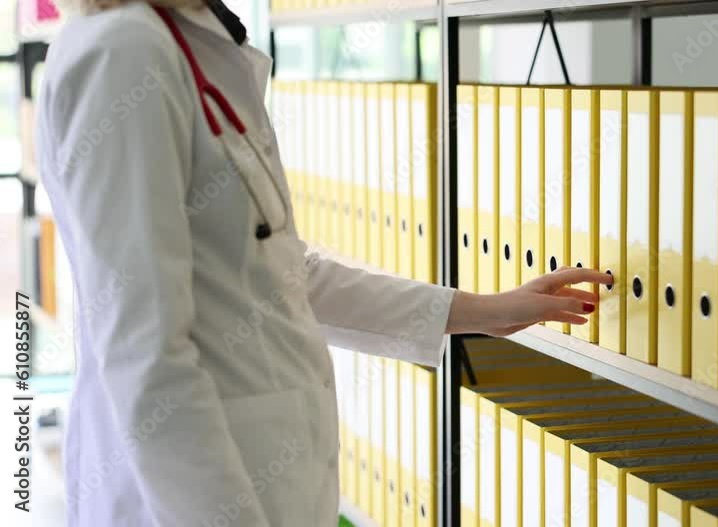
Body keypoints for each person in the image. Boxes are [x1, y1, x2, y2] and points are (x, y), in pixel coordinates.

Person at [35, 0, 611, 525]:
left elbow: (277, 272)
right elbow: (145, 358)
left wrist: (484, 311)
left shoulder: (187, 45)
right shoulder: (125, 54)